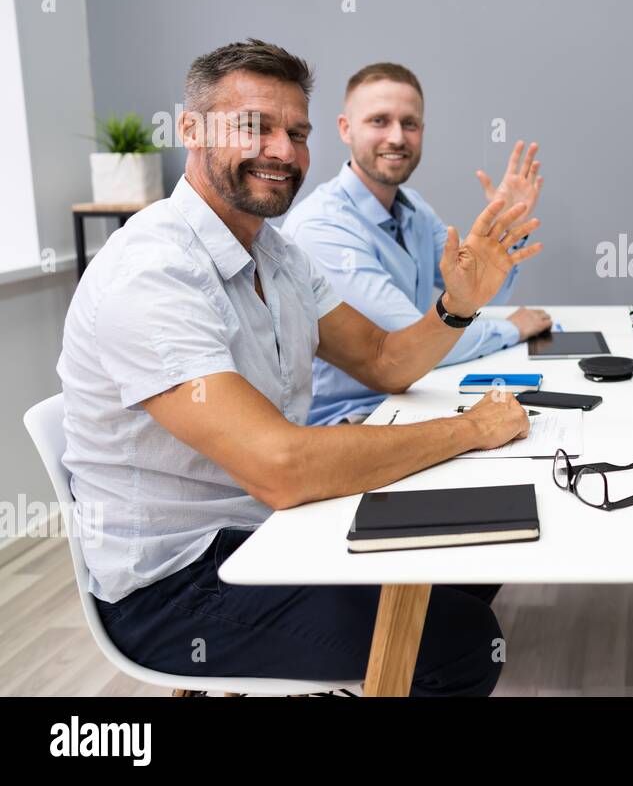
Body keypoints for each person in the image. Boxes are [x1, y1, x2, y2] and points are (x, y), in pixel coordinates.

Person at [58, 39, 541, 696]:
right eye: (254, 126)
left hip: (264, 526)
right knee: (456, 643)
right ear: (191, 131)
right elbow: (283, 468)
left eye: (297, 132)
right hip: (178, 586)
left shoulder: (278, 257)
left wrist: (457, 306)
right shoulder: (152, 273)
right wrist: (469, 430)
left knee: (469, 553)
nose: (284, 151)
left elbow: (382, 360)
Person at [282, 61, 552, 425]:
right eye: (379, 121)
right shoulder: (321, 226)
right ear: (345, 129)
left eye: (409, 124)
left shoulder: (414, 209)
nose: (397, 137)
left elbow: (480, 292)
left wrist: (507, 224)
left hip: (416, 395)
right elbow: (413, 341)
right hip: (353, 420)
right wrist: (513, 328)